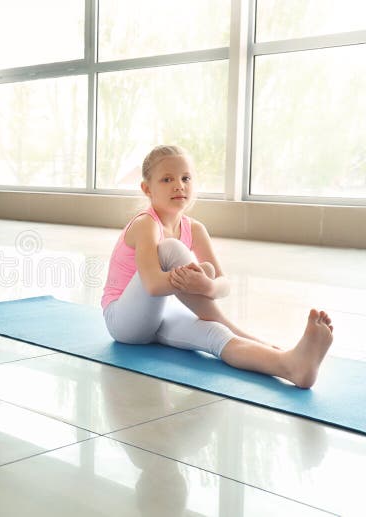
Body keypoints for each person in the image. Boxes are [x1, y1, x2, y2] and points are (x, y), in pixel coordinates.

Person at [101, 145, 333, 388]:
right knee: (171, 249)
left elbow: (224, 285)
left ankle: (291, 366)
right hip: (124, 321)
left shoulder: (195, 229)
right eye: (167, 179)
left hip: (159, 315)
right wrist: (192, 278)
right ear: (147, 189)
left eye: (186, 178)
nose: (179, 185)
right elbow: (152, 285)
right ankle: (240, 330)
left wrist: (207, 285)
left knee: (215, 334)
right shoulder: (146, 224)